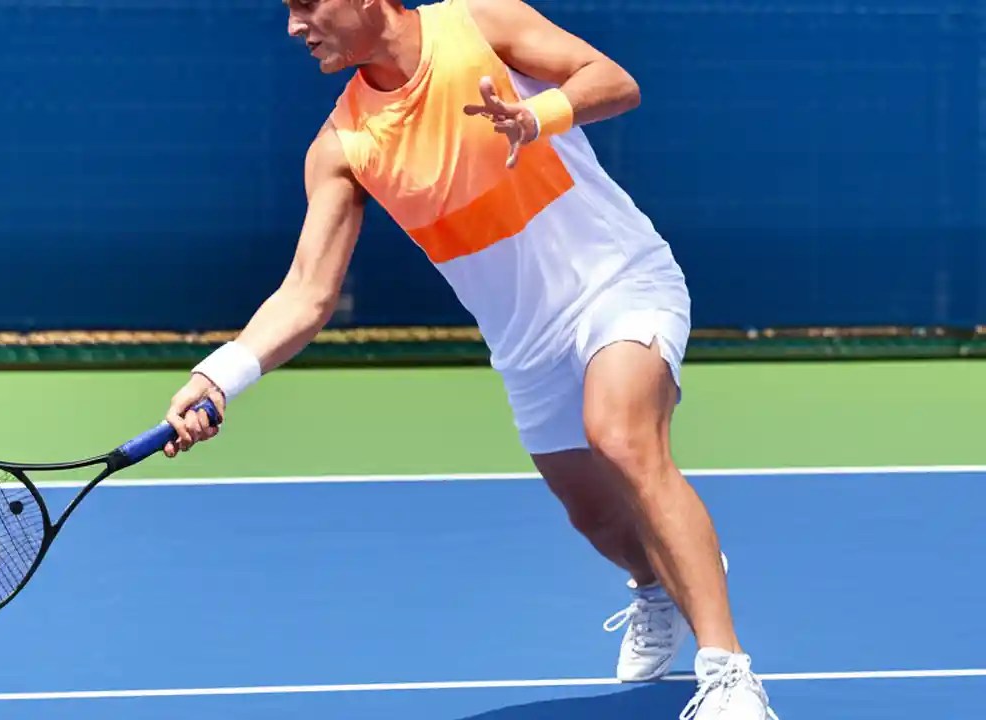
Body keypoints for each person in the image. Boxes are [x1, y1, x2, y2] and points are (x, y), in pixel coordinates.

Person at [160, 1, 776, 717]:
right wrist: (219, 376)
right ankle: (657, 585)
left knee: (621, 436)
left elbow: (613, 81)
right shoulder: (342, 145)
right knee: (598, 520)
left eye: (307, 3)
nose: (295, 26)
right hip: (525, 341)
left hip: (620, 280)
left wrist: (539, 115)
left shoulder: (480, 24)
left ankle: (728, 675)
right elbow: (307, 293)